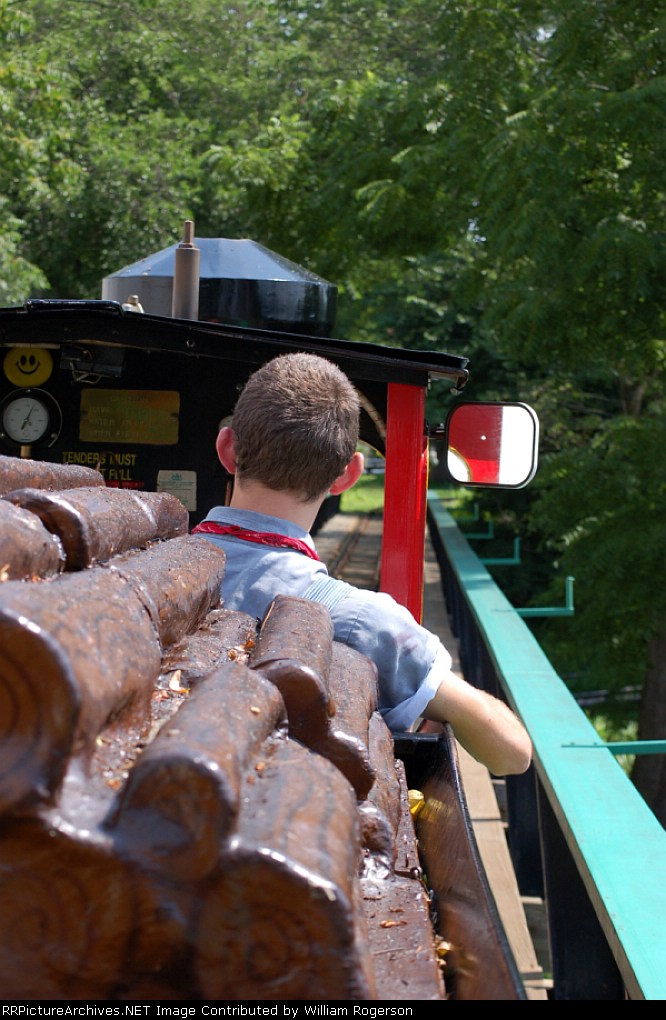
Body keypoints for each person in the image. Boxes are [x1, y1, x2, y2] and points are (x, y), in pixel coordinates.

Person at [193, 352, 532, 776]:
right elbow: (512, 754)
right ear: (347, 476)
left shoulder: (135, 567)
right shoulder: (365, 623)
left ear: (226, 450)